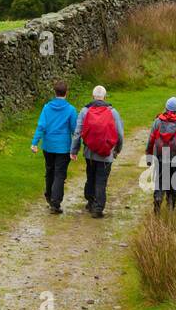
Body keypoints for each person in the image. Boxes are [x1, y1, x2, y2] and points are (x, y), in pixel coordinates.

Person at [70, 85, 122, 218]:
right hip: (106, 154)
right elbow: (119, 134)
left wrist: (74, 150)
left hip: (90, 152)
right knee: (101, 180)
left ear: (93, 96)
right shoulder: (113, 112)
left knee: (91, 176)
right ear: (105, 97)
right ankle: (98, 208)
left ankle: (90, 201)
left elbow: (78, 132)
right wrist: (117, 149)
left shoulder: (85, 111)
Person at [31, 80, 78, 213]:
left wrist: (35, 143)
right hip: (63, 147)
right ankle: (55, 203)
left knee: (50, 171)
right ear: (66, 93)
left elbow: (41, 126)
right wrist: (76, 148)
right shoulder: (71, 110)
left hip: (48, 146)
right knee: (59, 174)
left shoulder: (46, 108)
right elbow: (75, 130)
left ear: (55, 92)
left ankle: (49, 196)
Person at [145, 96, 176, 213]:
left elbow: (151, 141)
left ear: (166, 108)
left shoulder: (158, 121)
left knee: (160, 180)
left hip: (160, 157)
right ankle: (171, 206)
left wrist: (148, 156)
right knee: (172, 182)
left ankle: (158, 200)